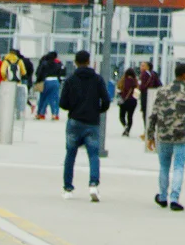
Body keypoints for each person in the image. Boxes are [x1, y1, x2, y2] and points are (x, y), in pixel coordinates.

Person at [146, 62, 185, 211]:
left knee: (164, 166)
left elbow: (153, 114)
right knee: (178, 167)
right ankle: (174, 198)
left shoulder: (162, 91)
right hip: (182, 135)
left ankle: (162, 197)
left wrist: (150, 135)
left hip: (163, 134)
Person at [59, 50, 111, 202]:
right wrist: (97, 110)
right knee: (94, 155)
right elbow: (106, 101)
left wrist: (73, 108)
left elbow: (62, 103)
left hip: (75, 120)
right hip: (92, 122)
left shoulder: (70, 80)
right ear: (89, 61)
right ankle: (93, 185)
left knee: (70, 155)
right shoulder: (97, 79)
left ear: (75, 62)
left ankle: (68, 188)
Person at [35, 52, 66, 120]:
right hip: (55, 81)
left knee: (43, 98)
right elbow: (61, 73)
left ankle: (40, 113)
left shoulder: (44, 63)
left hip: (46, 81)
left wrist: (38, 81)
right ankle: (55, 114)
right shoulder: (58, 64)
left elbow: (39, 73)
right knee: (54, 98)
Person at [117, 68, 140, 136]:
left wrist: (122, 95)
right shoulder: (135, 82)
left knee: (121, 116)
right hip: (132, 101)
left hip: (124, 101)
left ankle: (125, 126)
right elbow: (137, 94)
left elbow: (119, 90)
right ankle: (128, 130)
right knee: (130, 116)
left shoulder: (122, 80)